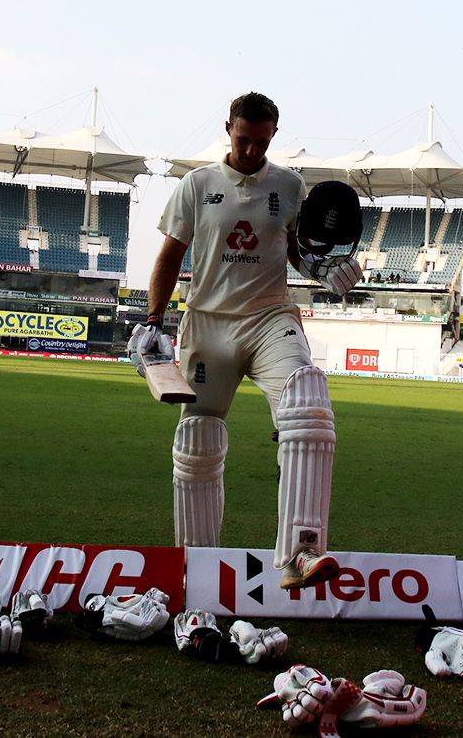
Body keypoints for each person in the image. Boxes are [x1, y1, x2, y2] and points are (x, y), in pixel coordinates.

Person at [130, 92, 362, 590]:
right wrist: (153, 319)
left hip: (269, 317)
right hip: (208, 323)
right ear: (228, 129)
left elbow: (299, 252)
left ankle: (302, 552)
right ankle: (199, 569)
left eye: (261, 141)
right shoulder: (197, 184)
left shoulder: (290, 185)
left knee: (309, 402)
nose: (252, 150)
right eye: (243, 139)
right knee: (199, 439)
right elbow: (171, 256)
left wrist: (324, 270)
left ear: (273, 135)